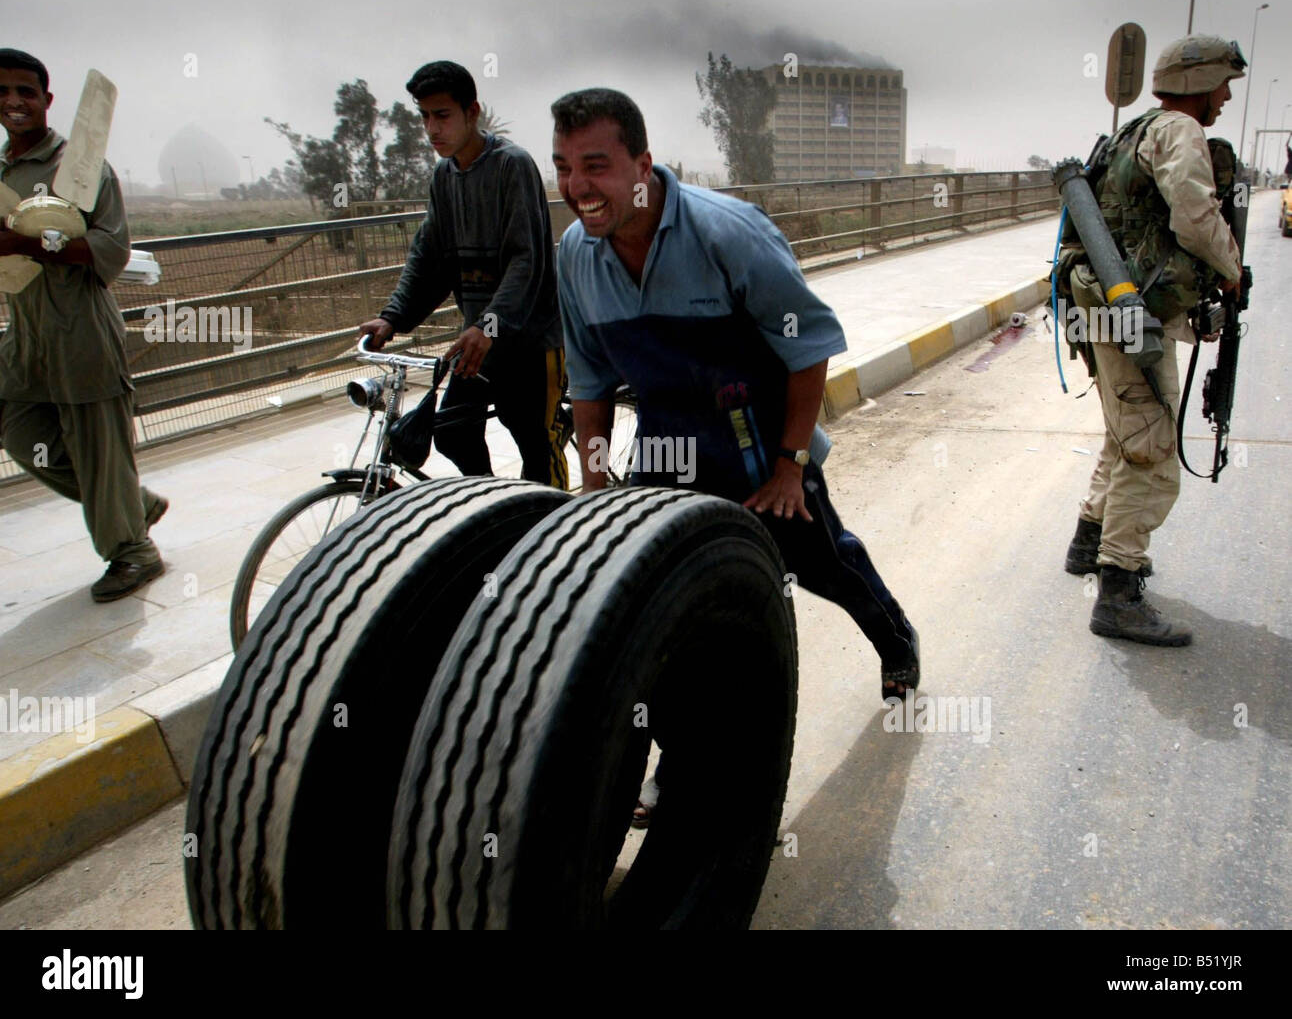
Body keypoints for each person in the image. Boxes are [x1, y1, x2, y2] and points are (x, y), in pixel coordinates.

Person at [550, 88, 920, 820]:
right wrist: (594, 489)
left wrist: (790, 465)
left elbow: (809, 343)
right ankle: (674, 764)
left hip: (757, 438)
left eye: (596, 165)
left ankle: (897, 639)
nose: (577, 187)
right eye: (562, 167)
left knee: (822, 562)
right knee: (664, 603)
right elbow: (589, 384)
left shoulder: (726, 233)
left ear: (642, 165)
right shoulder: (575, 255)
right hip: (667, 445)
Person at [1060, 35, 1245, 645]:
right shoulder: (1179, 132)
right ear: (1201, 82)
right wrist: (1231, 265)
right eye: (1222, 84)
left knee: (1126, 431)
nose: (1224, 96)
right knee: (1152, 451)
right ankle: (1119, 588)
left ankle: (1090, 540)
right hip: (1127, 312)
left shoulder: (1133, 130)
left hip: (1101, 305)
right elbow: (1194, 217)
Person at [0, 49, 167, 602]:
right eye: (0, 91)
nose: (13, 102)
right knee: (21, 434)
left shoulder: (84, 169)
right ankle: (131, 507)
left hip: (81, 332)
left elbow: (112, 250)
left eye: (25, 91)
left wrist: (27, 243)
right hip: (25, 333)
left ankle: (132, 551)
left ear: (47, 100)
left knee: (98, 449)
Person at [360, 61, 567, 489]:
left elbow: (525, 262)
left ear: (472, 113)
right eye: (424, 117)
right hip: (478, 345)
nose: (432, 128)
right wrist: (393, 316)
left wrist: (489, 325)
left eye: (442, 115)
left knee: (536, 445)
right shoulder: (444, 176)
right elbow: (430, 257)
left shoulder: (512, 166)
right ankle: (497, 505)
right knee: (452, 431)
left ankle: (558, 535)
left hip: (530, 343)